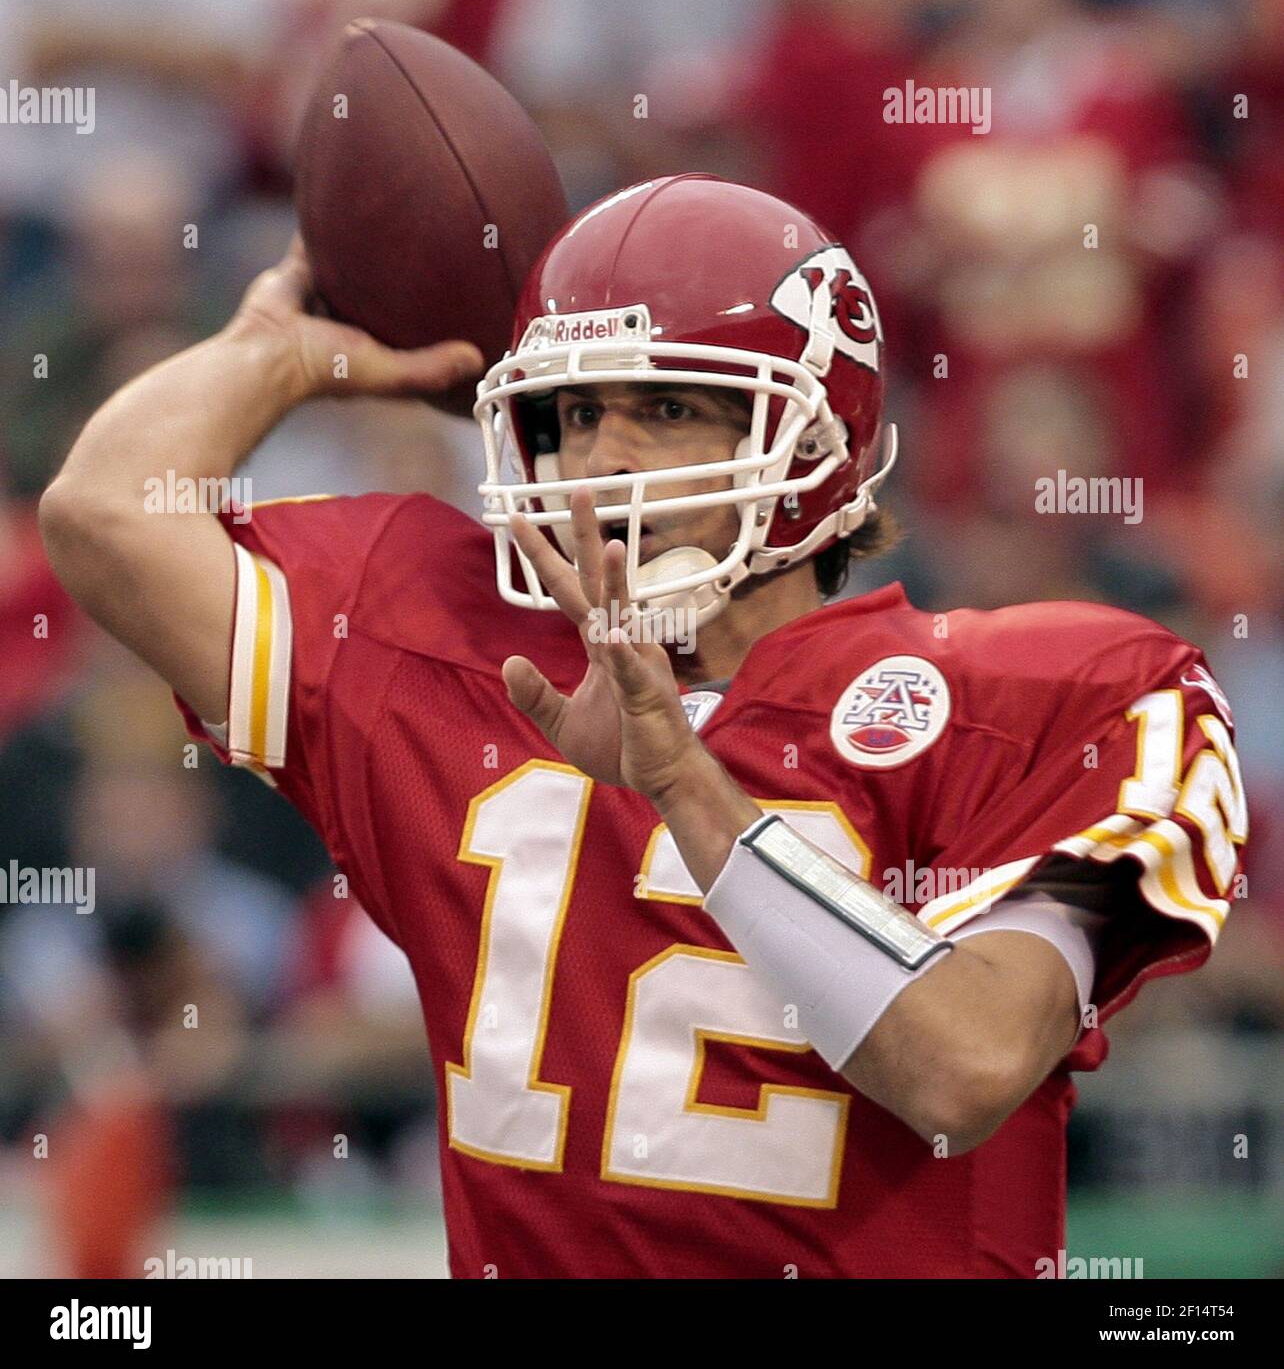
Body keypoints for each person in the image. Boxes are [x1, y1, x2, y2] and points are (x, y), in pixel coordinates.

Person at [40, 174, 1248, 1278]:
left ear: (818, 445)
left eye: (667, 408)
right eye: (568, 416)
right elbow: (106, 514)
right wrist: (277, 352)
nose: (598, 463)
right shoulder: (443, 642)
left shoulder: (1031, 693)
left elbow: (960, 1069)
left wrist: (688, 785)